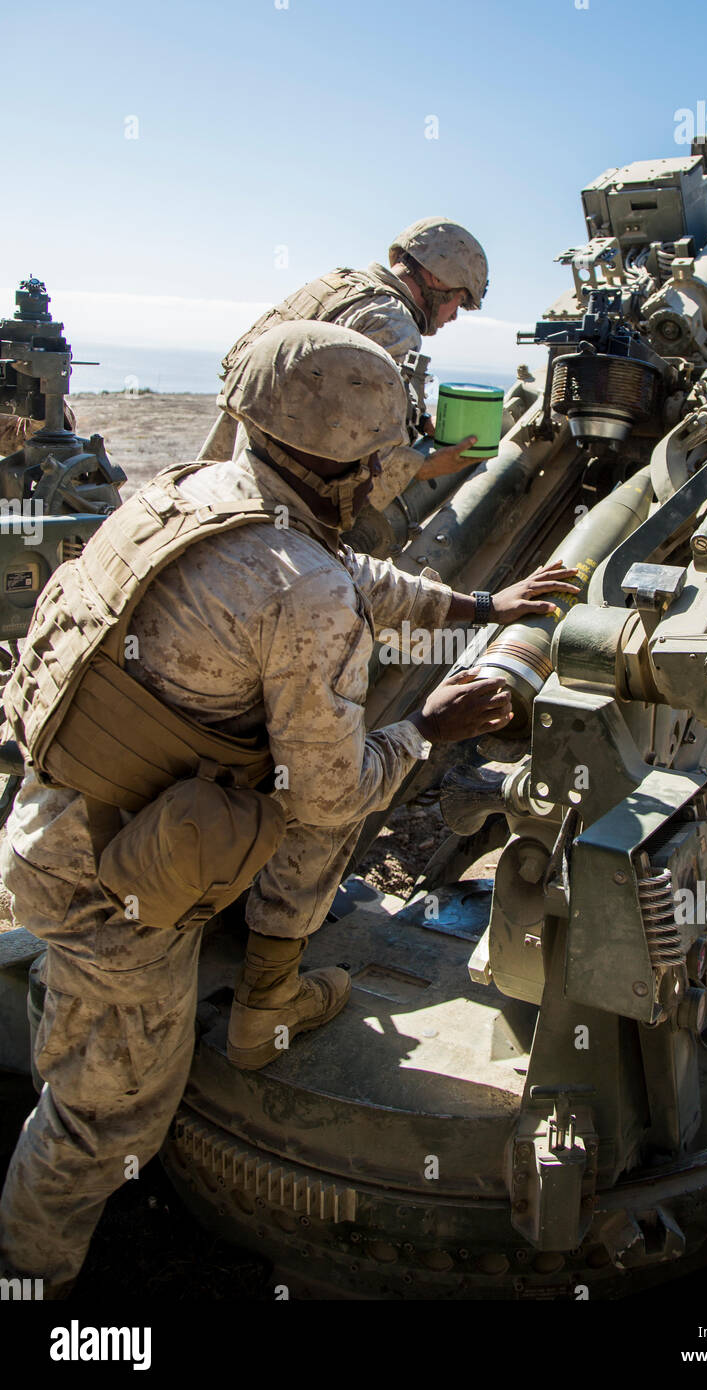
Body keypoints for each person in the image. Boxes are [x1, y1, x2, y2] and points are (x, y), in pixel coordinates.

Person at [0, 320, 578, 1295]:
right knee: (107, 1117)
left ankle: (230, 1007)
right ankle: (28, 1278)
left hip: (61, 816)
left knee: (93, 1058)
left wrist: (478, 610)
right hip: (111, 888)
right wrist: (428, 732)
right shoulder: (302, 589)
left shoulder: (200, 492)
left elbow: (339, 573)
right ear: (362, 458)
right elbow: (332, 794)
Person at [199, 217, 491, 508]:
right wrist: (426, 467)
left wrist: (422, 422)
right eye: (461, 301)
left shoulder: (340, 286)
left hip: (225, 481)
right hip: (282, 502)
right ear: (437, 278)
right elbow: (358, 446)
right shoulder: (395, 326)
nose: (454, 316)